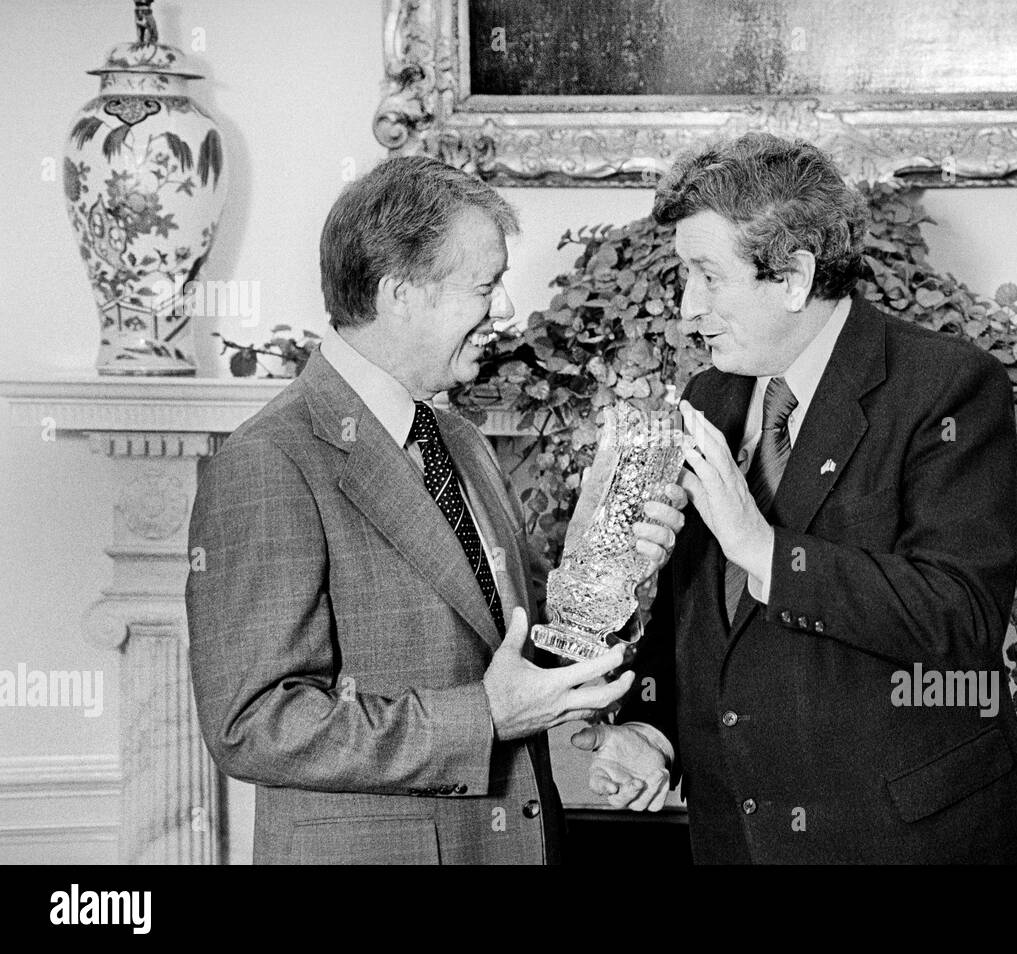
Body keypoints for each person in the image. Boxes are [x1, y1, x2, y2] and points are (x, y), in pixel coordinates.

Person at [573, 134, 1017, 864]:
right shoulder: (711, 393)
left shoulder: (947, 388)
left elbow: (958, 617)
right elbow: (702, 612)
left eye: (707, 277)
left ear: (795, 276)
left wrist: (761, 547)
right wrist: (654, 727)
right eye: (685, 277)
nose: (686, 309)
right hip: (740, 840)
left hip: (908, 844)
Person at [186, 156, 684, 864]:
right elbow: (253, 723)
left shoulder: (462, 442)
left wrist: (616, 583)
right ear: (400, 294)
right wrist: (483, 716)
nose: (505, 309)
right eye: (486, 285)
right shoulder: (269, 460)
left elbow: (517, 650)